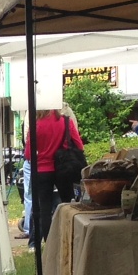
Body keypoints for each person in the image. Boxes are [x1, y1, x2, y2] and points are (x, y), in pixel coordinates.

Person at [30, 104, 83, 246]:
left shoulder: (35, 125)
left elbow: (28, 154)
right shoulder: (66, 121)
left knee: (45, 209)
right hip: (63, 169)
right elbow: (79, 145)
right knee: (67, 204)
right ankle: (69, 238)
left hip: (42, 170)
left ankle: (49, 244)